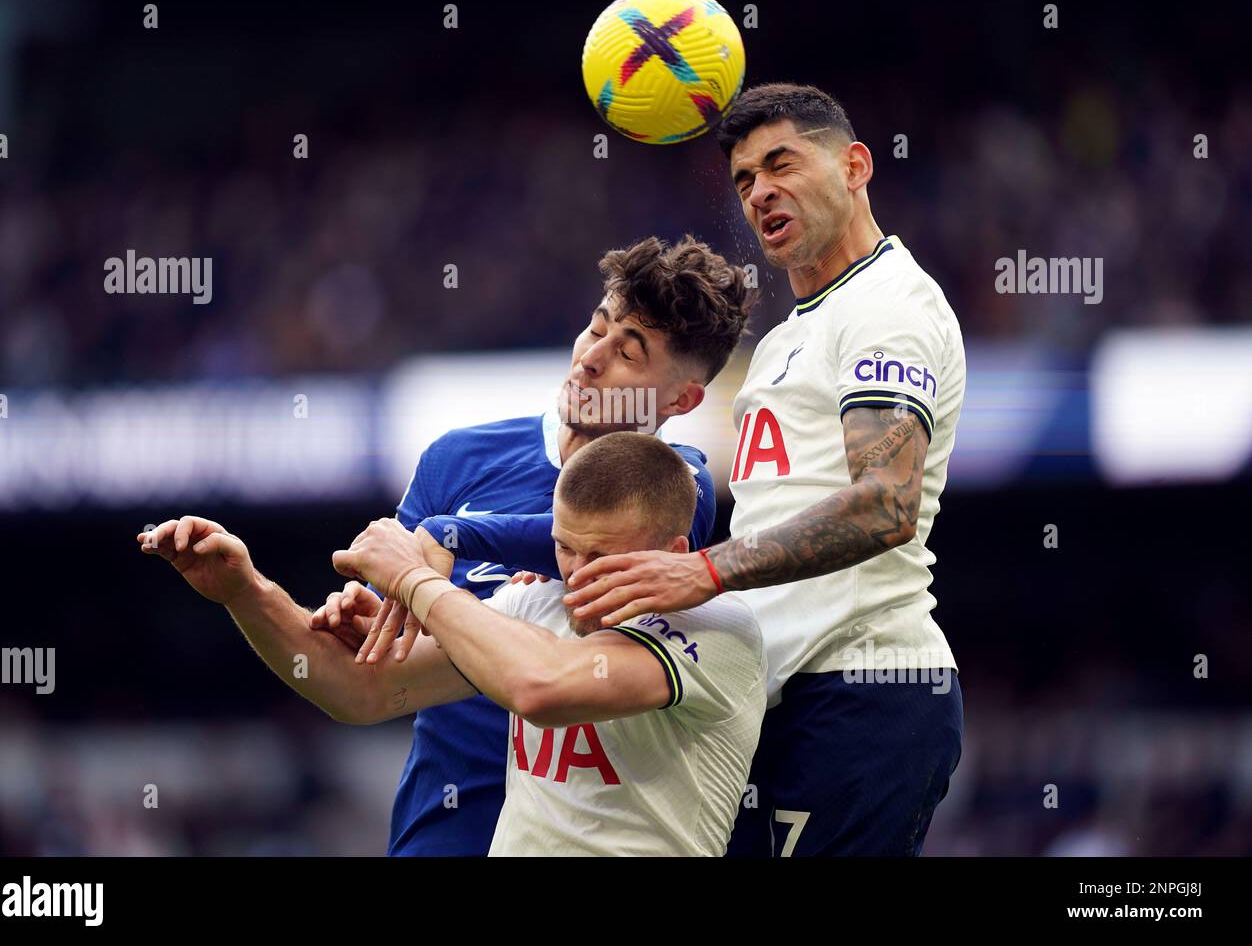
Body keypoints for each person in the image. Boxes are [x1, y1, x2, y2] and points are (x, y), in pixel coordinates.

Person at [140, 233, 758, 856]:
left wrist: (443, 543)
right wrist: (260, 593)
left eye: (629, 353)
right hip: (444, 828)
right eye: (595, 328)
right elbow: (366, 674)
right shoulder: (460, 460)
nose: (591, 359)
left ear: (682, 398)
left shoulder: (676, 486)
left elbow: (596, 560)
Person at [562, 84, 966, 856]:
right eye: (744, 180)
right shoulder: (784, 338)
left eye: (781, 164)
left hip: (863, 691)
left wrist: (704, 575)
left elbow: (885, 505)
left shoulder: (889, 305)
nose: (759, 193)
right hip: (782, 697)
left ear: (854, 167)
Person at [142, 432, 766, 856]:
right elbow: (363, 691)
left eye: (600, 556)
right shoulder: (533, 602)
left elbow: (541, 686)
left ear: (674, 552)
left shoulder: (717, 631)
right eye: (564, 547)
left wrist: (414, 582)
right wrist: (245, 591)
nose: (574, 574)